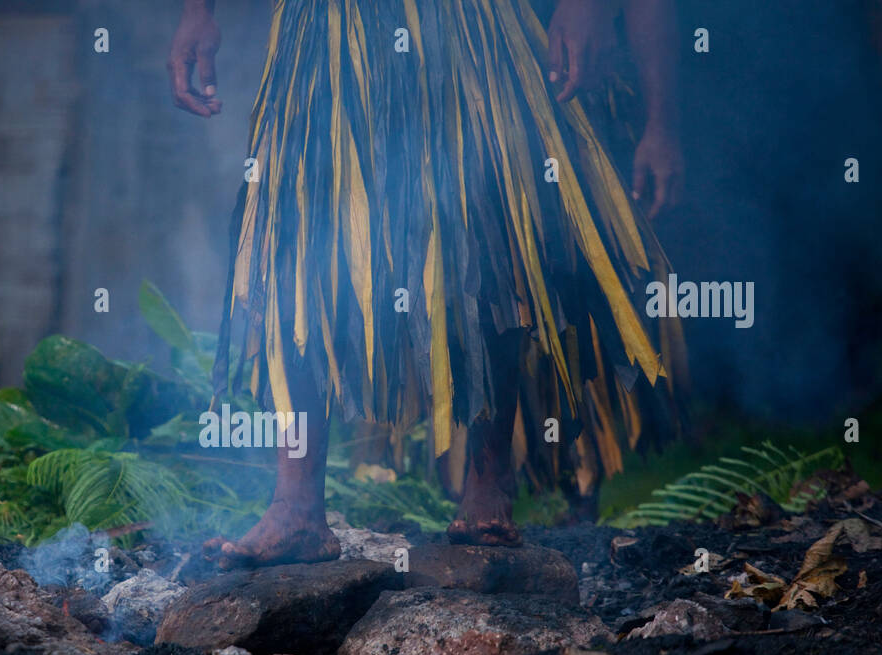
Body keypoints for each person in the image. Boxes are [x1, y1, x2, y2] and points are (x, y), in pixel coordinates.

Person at [169, 0, 687, 566]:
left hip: (467, 21)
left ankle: (489, 483)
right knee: (296, 238)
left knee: (483, 225)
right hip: (320, 22)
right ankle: (295, 507)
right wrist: (198, 10)